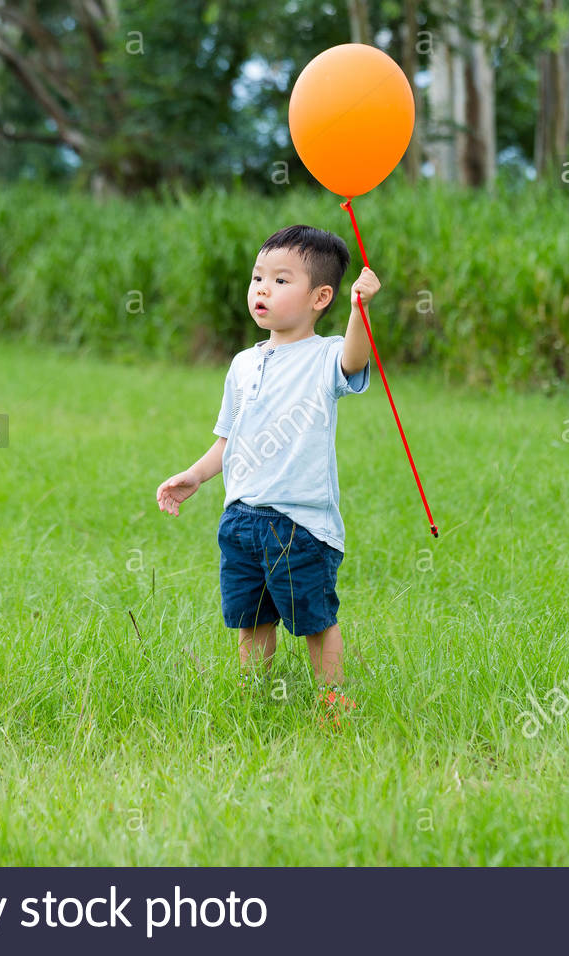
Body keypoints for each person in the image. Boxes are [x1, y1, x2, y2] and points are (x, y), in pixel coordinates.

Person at [155, 224, 378, 721]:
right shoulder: (241, 365)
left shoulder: (324, 357)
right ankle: (255, 698)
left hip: (297, 522)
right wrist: (195, 475)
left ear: (321, 297)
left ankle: (332, 700)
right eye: (258, 278)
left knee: (314, 618)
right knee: (250, 618)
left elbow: (354, 358)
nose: (262, 289)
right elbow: (229, 440)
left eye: (281, 281)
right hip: (241, 518)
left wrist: (360, 311)